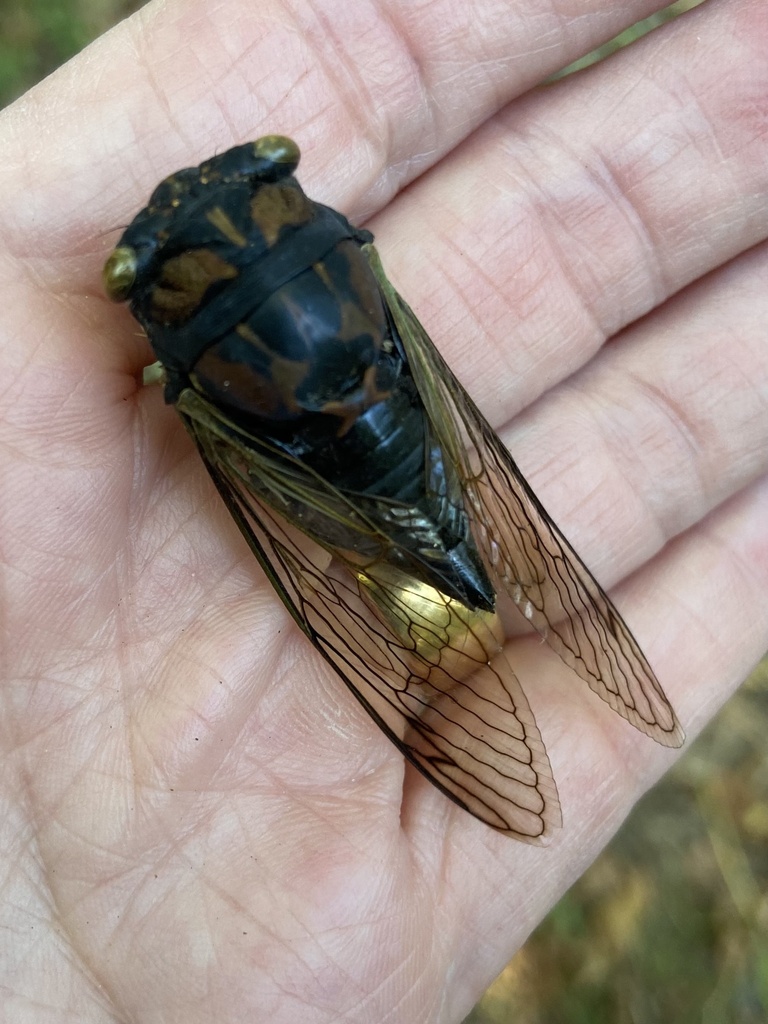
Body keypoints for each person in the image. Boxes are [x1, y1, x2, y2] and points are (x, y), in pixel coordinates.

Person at [0, 1, 765, 1020]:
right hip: (377, 439)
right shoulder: (328, 255)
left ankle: (462, 591)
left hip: (307, 466)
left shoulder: (182, 372)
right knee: (456, 484)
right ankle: (469, 586)